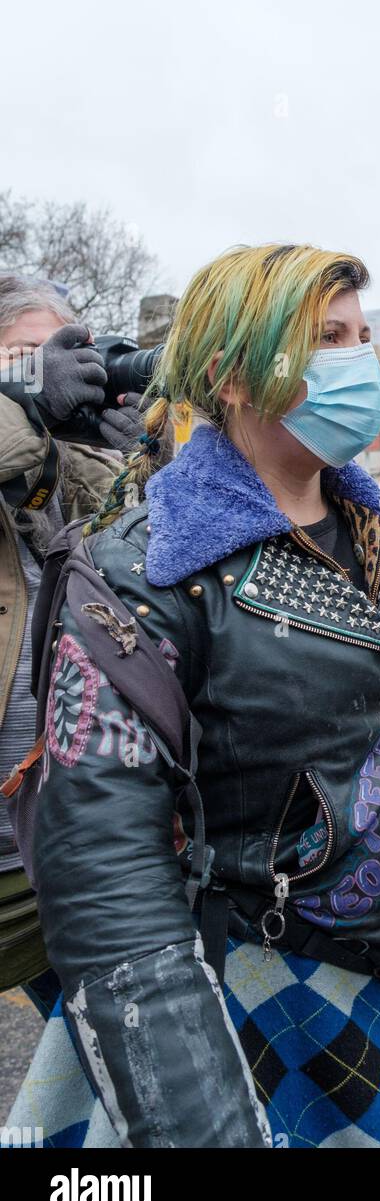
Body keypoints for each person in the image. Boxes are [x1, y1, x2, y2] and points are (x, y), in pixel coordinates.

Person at [10, 244, 380, 1150]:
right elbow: (105, 875)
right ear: (228, 375)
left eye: (361, 337)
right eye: (325, 339)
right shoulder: (140, 572)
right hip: (235, 991)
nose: (360, 362)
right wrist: (202, 1121)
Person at [0, 276, 145, 1004]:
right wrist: (26, 404)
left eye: (64, 358)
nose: (50, 376)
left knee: (107, 1053)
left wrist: (145, 461)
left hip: (57, 841)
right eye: (26, 356)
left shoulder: (69, 468)